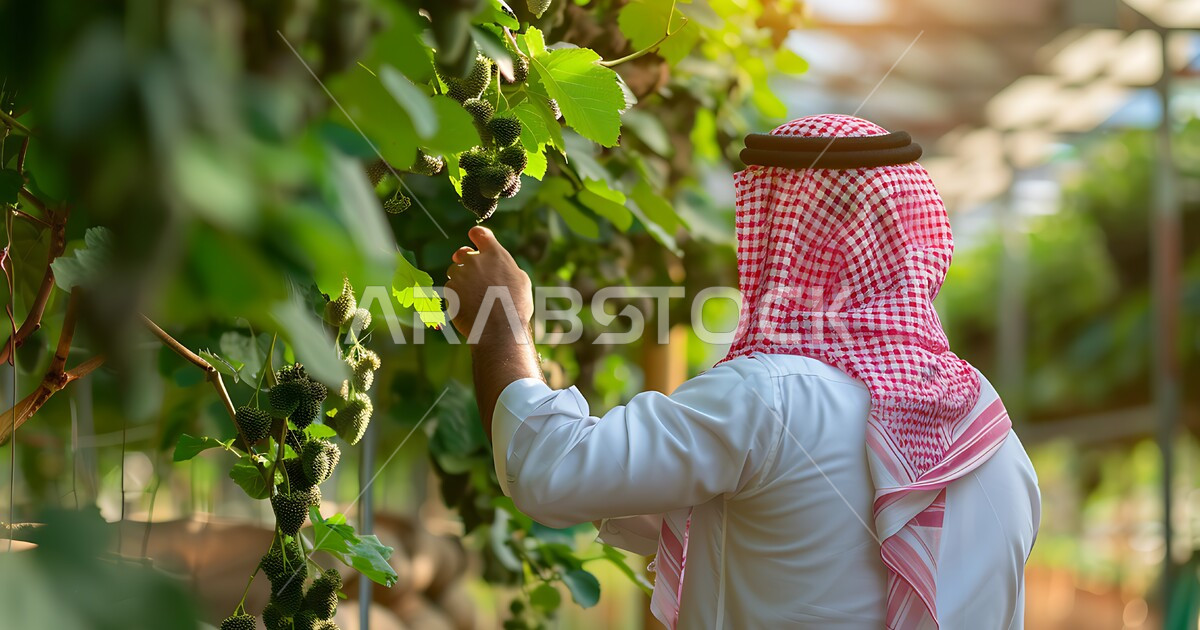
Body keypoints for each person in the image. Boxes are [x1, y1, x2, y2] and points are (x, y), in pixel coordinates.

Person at [444, 114, 1041, 629]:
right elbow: (767, 528)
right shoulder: (996, 443)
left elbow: (551, 470)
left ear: (792, 238)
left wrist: (502, 323)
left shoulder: (771, 398)